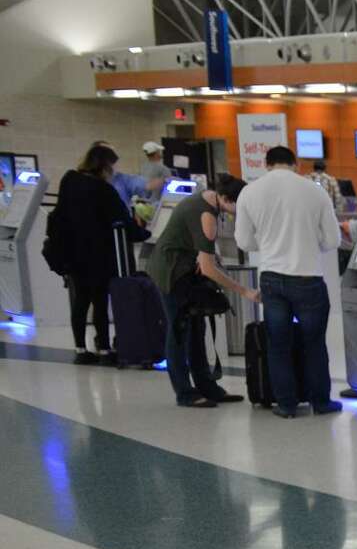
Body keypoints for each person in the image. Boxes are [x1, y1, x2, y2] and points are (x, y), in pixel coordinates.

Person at [236, 145, 343, 419]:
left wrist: (270, 244)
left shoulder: (250, 192)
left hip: (271, 277)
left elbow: (244, 241)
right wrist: (308, 243)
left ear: (267, 164)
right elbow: (333, 240)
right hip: (308, 277)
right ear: (294, 164)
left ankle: (286, 405)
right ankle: (320, 402)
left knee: (278, 344)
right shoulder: (315, 191)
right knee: (314, 343)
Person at [144, 173, 255, 407]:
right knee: (179, 330)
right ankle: (185, 393)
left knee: (196, 328)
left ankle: (207, 386)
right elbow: (207, 269)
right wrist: (244, 291)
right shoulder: (206, 215)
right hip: (171, 273)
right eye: (238, 204)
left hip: (182, 269)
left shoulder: (206, 200)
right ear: (225, 198)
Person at [47, 143, 146, 365]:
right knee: (100, 300)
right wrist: (144, 233)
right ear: (105, 165)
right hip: (99, 254)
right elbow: (122, 219)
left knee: (80, 300)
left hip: (72, 253)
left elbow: (60, 214)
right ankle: (104, 349)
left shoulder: (69, 180)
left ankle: (80, 349)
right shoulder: (103, 189)